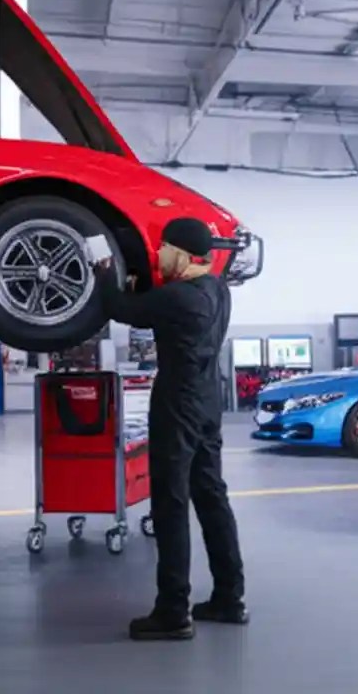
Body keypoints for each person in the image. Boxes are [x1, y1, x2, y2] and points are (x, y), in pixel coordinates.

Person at [92, 217, 247, 641]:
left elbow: (120, 309)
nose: (158, 254)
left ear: (180, 252)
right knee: (211, 495)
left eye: (163, 247)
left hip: (177, 403)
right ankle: (230, 599)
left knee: (171, 503)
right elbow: (153, 304)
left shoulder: (178, 297)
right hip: (209, 402)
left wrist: (103, 268)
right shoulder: (218, 290)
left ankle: (173, 612)